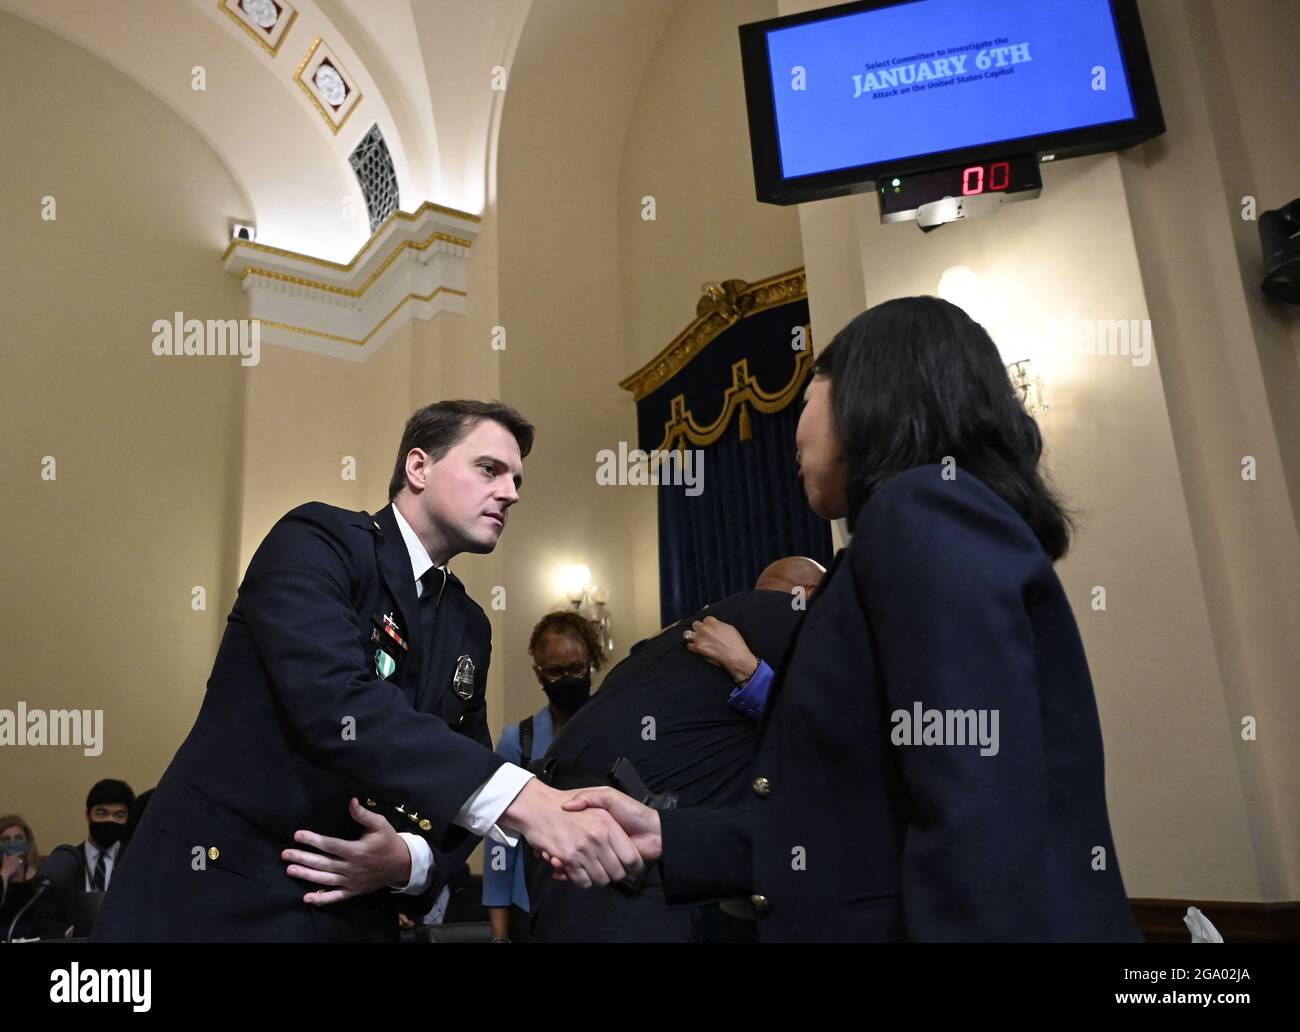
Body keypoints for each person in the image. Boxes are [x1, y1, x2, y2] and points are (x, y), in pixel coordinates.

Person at [564, 296, 1143, 942]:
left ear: (866, 398)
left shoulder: (921, 511)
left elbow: (977, 817)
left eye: (807, 398)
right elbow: (846, 838)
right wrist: (665, 834)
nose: (795, 432)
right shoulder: (910, 533)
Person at [94, 400, 642, 943]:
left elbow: (462, 760)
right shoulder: (317, 540)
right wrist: (525, 800)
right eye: (489, 469)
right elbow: (335, 703)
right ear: (419, 467)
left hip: (353, 918)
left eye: (517, 479)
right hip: (218, 895)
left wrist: (409, 859)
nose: (510, 492)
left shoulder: (469, 624)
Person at [528, 558, 823, 943]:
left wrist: (748, 670)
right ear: (811, 597)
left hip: (566, 836)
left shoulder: (676, 643)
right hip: (629, 855)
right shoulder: (790, 623)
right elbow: (826, 735)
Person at [483, 610, 606, 942]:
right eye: (554, 671)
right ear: (539, 673)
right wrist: (499, 935)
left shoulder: (615, 729)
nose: (566, 678)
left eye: (576, 668)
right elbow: (500, 840)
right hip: (532, 907)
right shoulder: (518, 741)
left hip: (604, 904)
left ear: (591, 663)